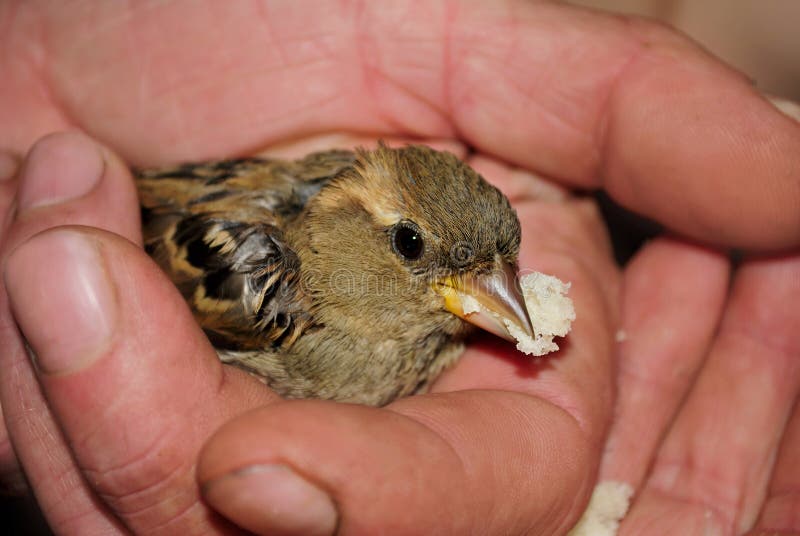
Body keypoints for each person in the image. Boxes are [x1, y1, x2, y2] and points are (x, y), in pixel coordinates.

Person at [0, 2, 798, 534]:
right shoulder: (263, 288)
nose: (483, 298)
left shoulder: (437, 315)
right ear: (358, 232)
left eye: (497, 273)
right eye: (412, 249)